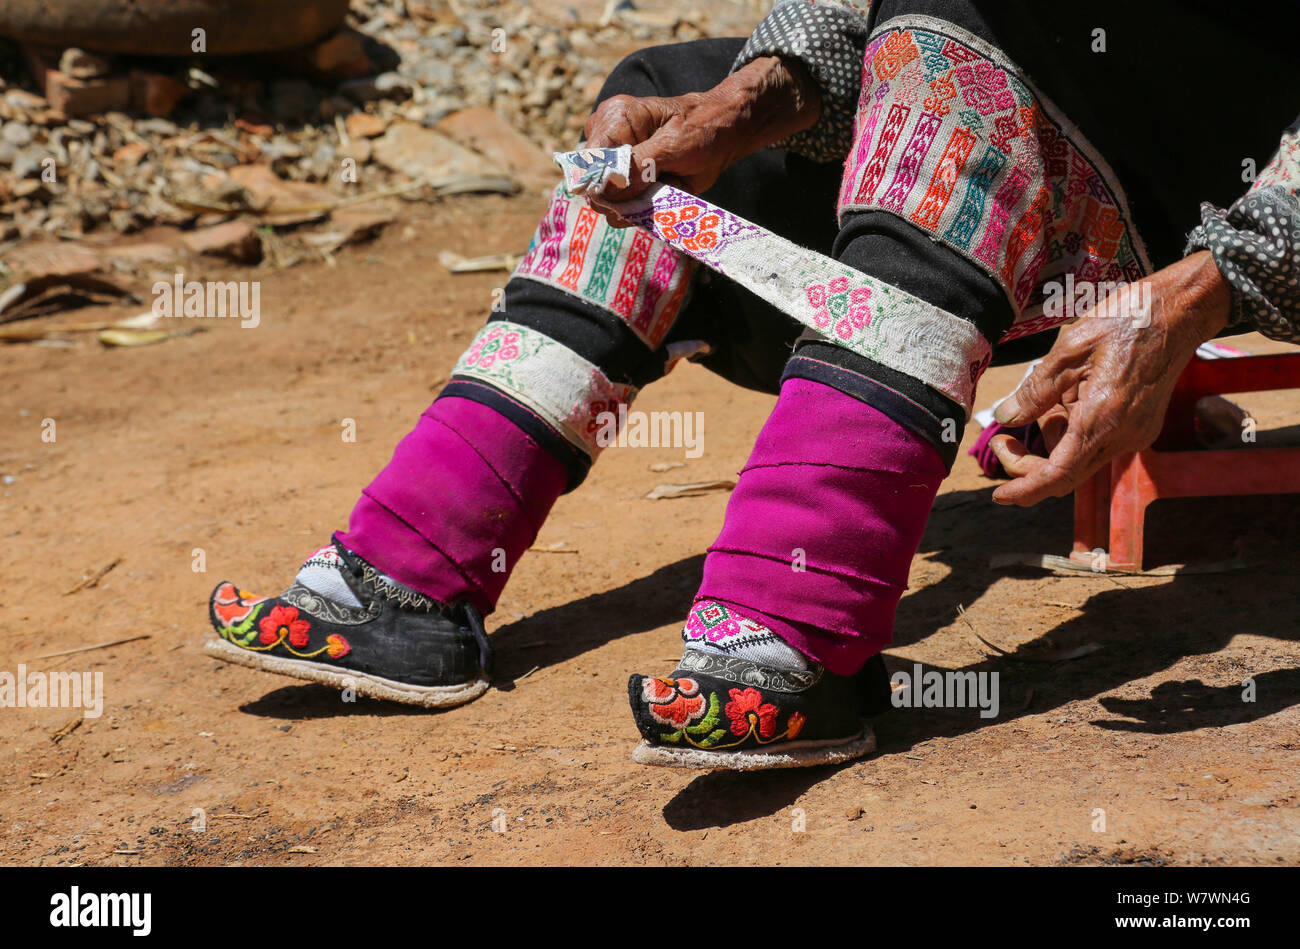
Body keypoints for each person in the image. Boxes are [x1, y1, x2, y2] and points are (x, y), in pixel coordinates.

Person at [206, 0, 1299, 770]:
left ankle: (795, 633)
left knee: (951, 51)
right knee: (658, 102)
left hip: (1234, 169)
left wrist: (1203, 286)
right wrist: (739, 106)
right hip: (1023, 74)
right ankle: (411, 581)